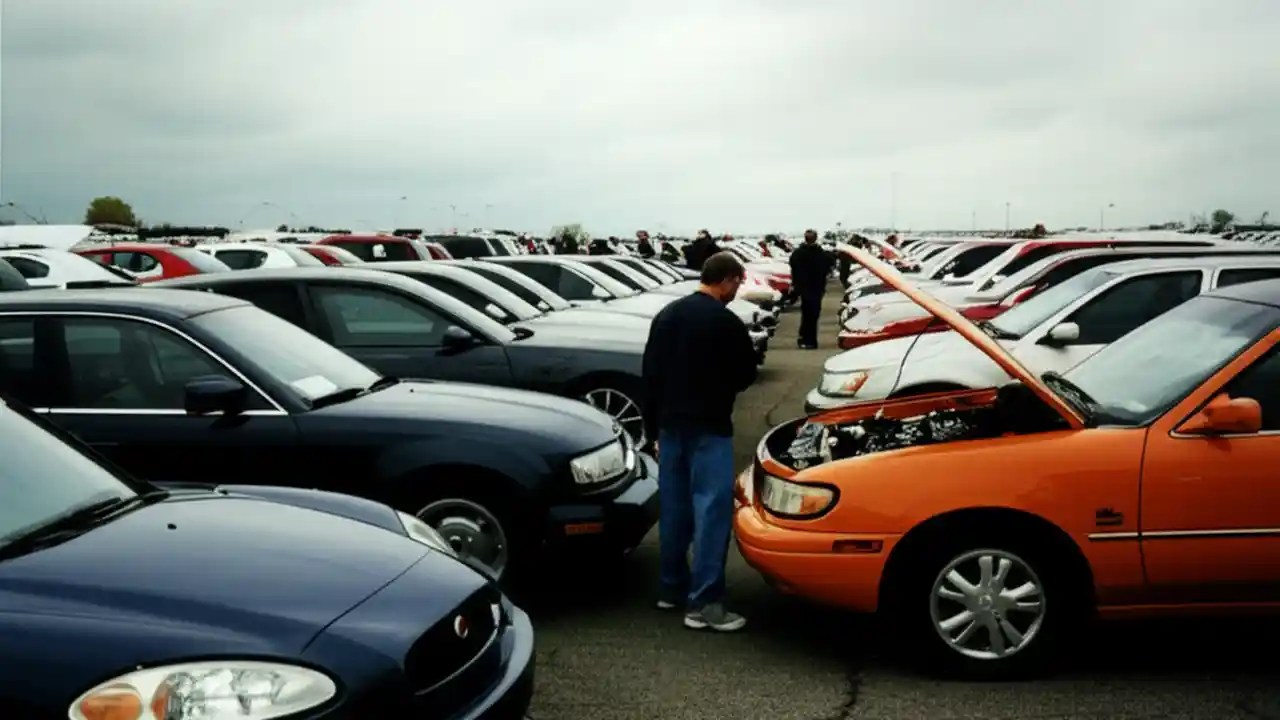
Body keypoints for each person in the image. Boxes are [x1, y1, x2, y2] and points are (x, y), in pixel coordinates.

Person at [642, 251, 756, 632]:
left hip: (669, 427)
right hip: (709, 428)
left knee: (675, 510)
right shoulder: (725, 322)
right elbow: (744, 373)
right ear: (726, 279)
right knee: (711, 513)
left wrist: (651, 429)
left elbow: (650, 374)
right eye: (738, 282)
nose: (738, 290)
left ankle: (670, 588)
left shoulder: (667, 316)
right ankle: (704, 603)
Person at [789, 228, 834, 349]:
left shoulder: (798, 253)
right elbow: (828, 265)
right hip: (816, 288)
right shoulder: (820, 253)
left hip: (805, 288)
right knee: (813, 314)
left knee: (807, 313)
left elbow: (793, 268)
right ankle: (810, 339)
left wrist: (796, 284)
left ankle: (805, 337)